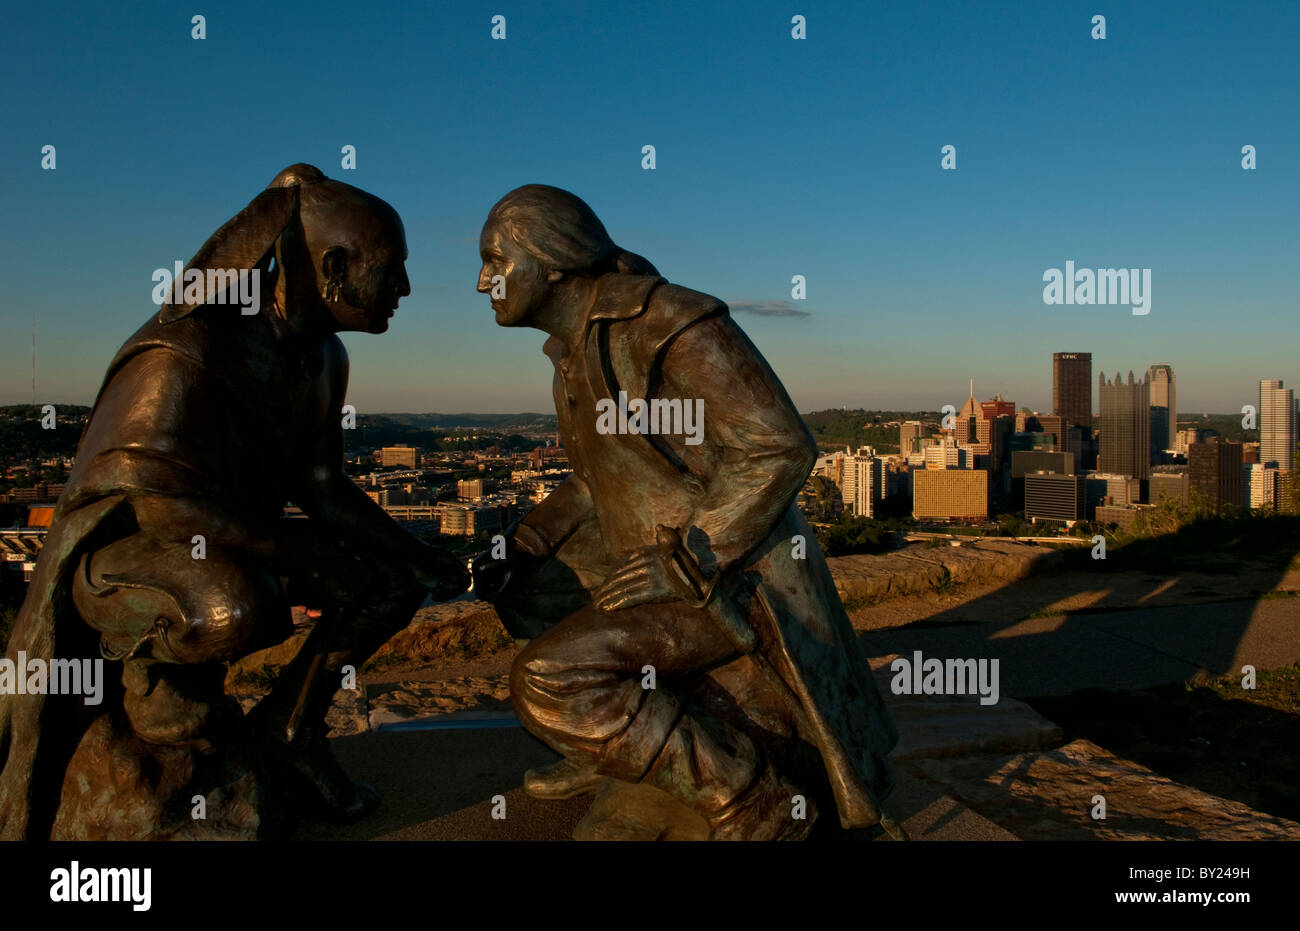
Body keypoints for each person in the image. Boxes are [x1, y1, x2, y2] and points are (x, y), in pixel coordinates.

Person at [0, 164, 468, 840]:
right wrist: (309, 560)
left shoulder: (325, 358)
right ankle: (163, 728)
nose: (404, 288)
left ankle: (288, 734)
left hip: (233, 540)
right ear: (334, 267)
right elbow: (165, 508)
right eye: (392, 269)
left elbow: (322, 486)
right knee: (234, 603)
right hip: (124, 564)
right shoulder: (191, 349)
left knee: (391, 582)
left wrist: (416, 553)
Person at [472, 184, 899, 840]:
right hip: (643, 559)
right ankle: (613, 747)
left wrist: (694, 551)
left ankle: (748, 798)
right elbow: (593, 483)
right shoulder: (571, 352)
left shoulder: (667, 320)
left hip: (723, 574)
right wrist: (526, 542)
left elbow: (780, 444)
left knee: (545, 679)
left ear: (552, 261)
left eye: (495, 262)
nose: (482, 282)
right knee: (525, 588)